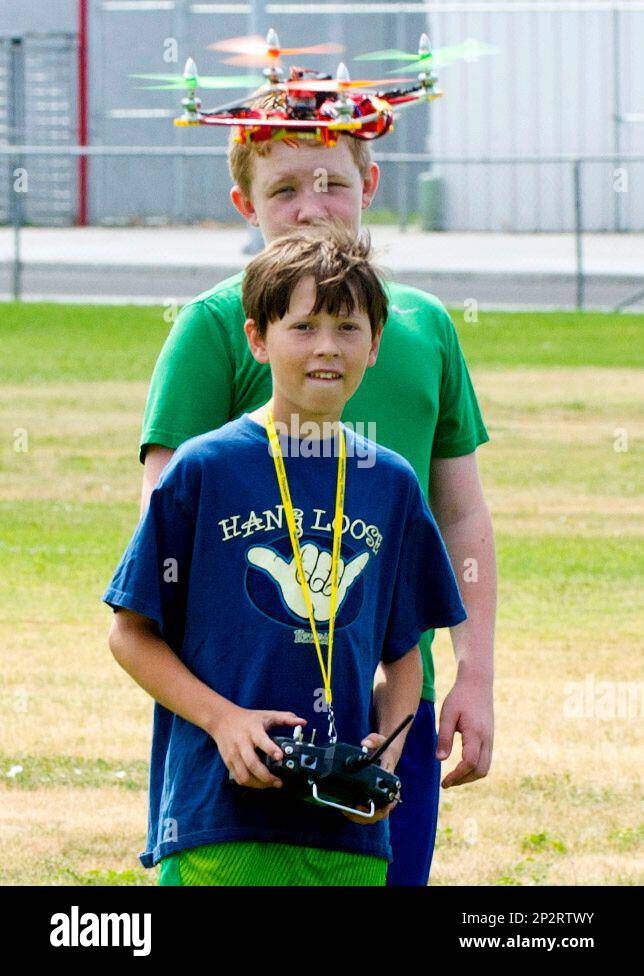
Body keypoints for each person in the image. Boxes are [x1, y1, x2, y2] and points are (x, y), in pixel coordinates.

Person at [139, 125, 496, 888]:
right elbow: (160, 563)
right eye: (284, 189)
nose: (311, 208)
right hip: (230, 744)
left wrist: (471, 676)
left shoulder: (422, 338)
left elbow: (459, 519)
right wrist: (218, 714)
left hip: (374, 737)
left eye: (331, 182)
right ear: (262, 339)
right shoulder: (210, 335)